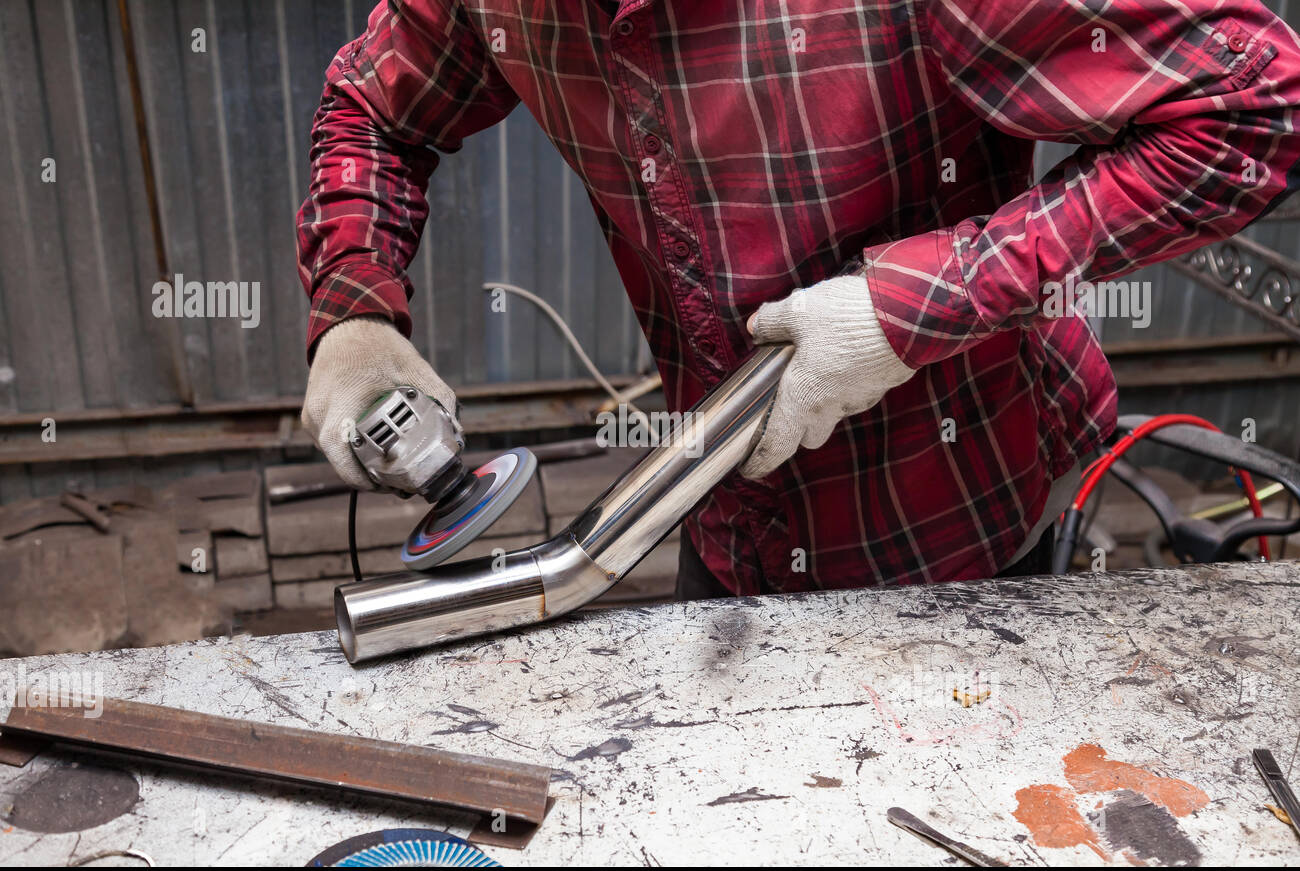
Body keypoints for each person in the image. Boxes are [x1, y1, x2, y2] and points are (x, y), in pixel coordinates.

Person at [298, 0, 1300, 599]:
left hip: (957, 531)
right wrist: (355, 312)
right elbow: (374, 110)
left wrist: (911, 312)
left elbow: (1252, 106)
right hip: (727, 521)